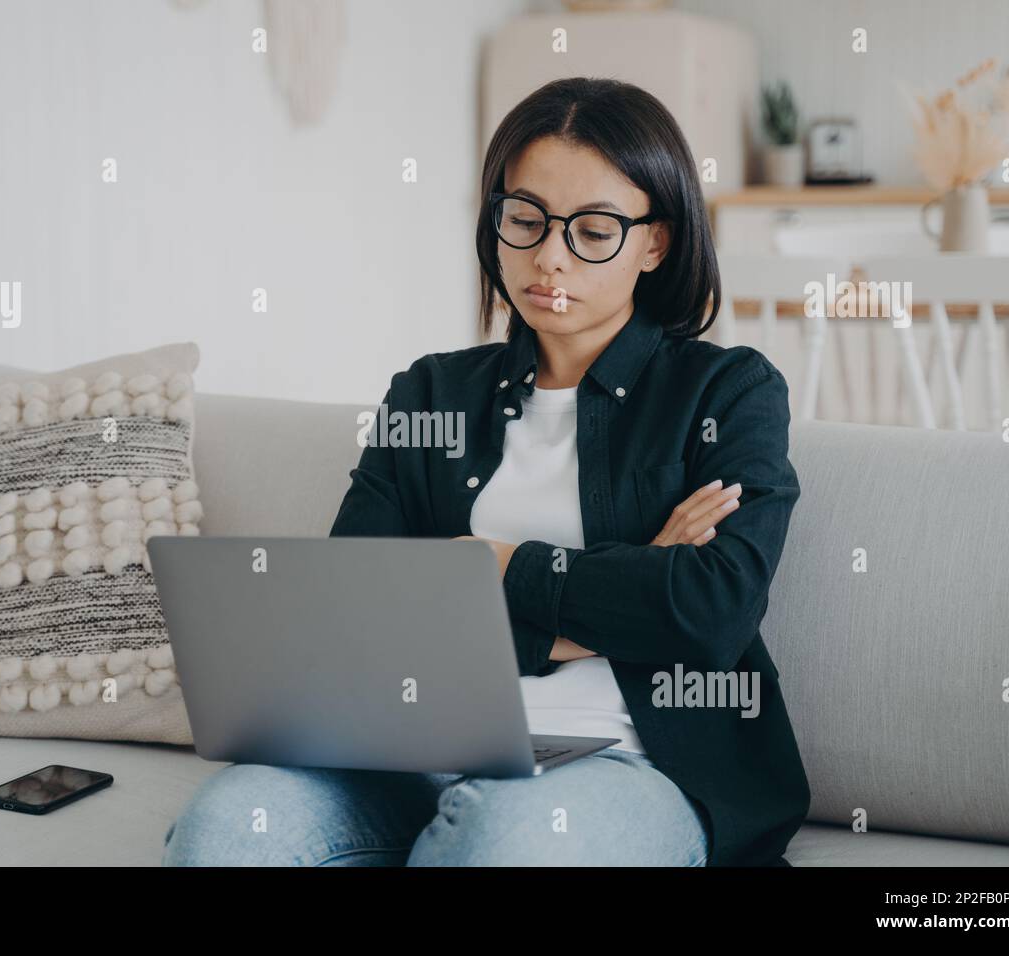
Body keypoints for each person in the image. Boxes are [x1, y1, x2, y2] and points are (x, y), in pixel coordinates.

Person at [163, 77, 809, 867]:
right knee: (226, 827)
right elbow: (358, 608)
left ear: (656, 242)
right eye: (526, 218)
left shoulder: (728, 391)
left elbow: (711, 612)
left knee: (495, 837)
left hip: (624, 763)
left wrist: (490, 565)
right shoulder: (429, 392)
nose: (548, 256)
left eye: (593, 230)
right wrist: (632, 586)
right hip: (403, 750)